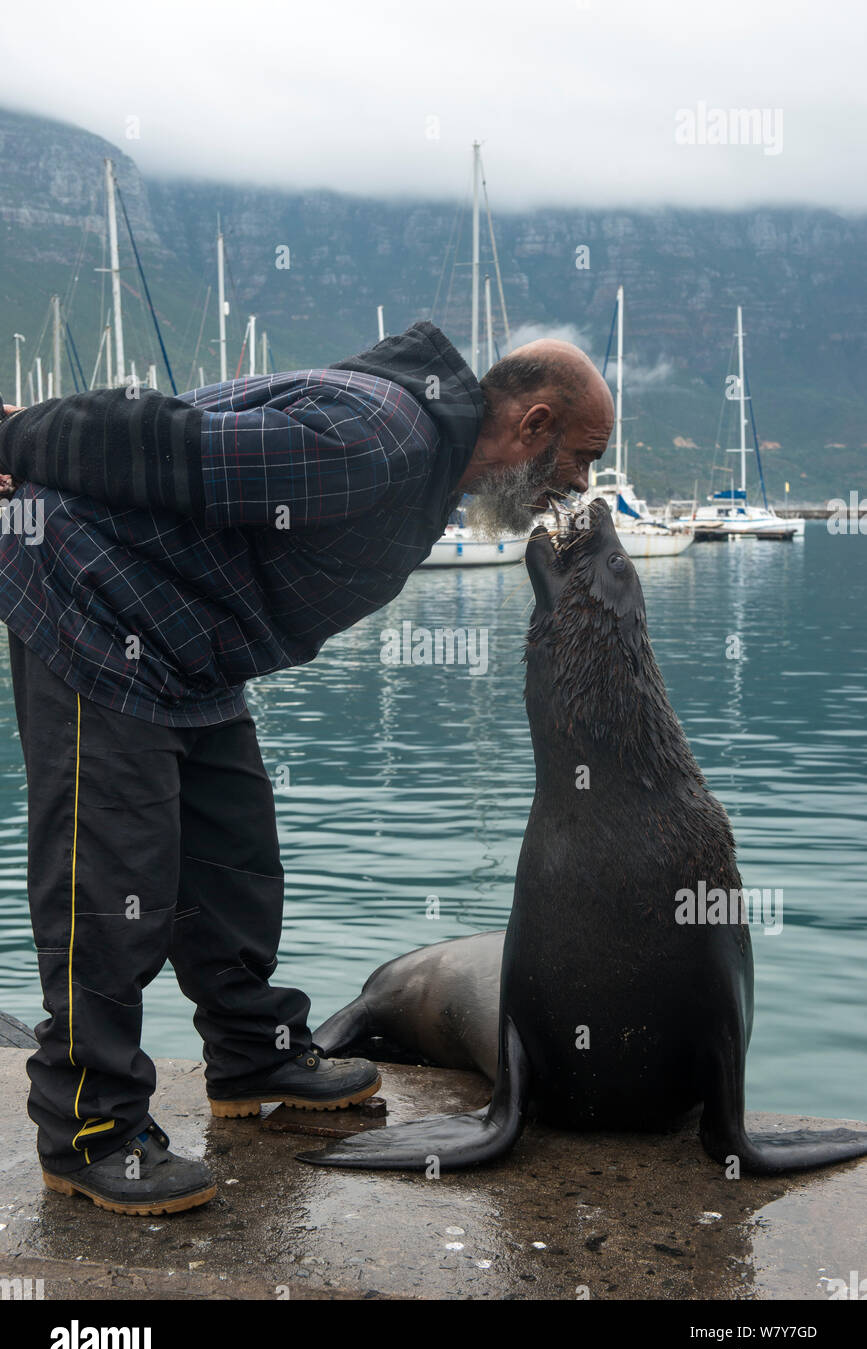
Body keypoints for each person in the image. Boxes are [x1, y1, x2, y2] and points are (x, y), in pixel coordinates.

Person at [0, 320, 613, 1215]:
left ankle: (253, 1057)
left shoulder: (420, 454)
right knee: (109, 881)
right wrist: (13, 437)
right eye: (583, 456)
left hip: (190, 646)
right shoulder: (381, 442)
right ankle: (90, 1131)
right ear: (533, 422)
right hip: (93, 607)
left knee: (234, 860)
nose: (581, 483)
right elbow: (168, 441)